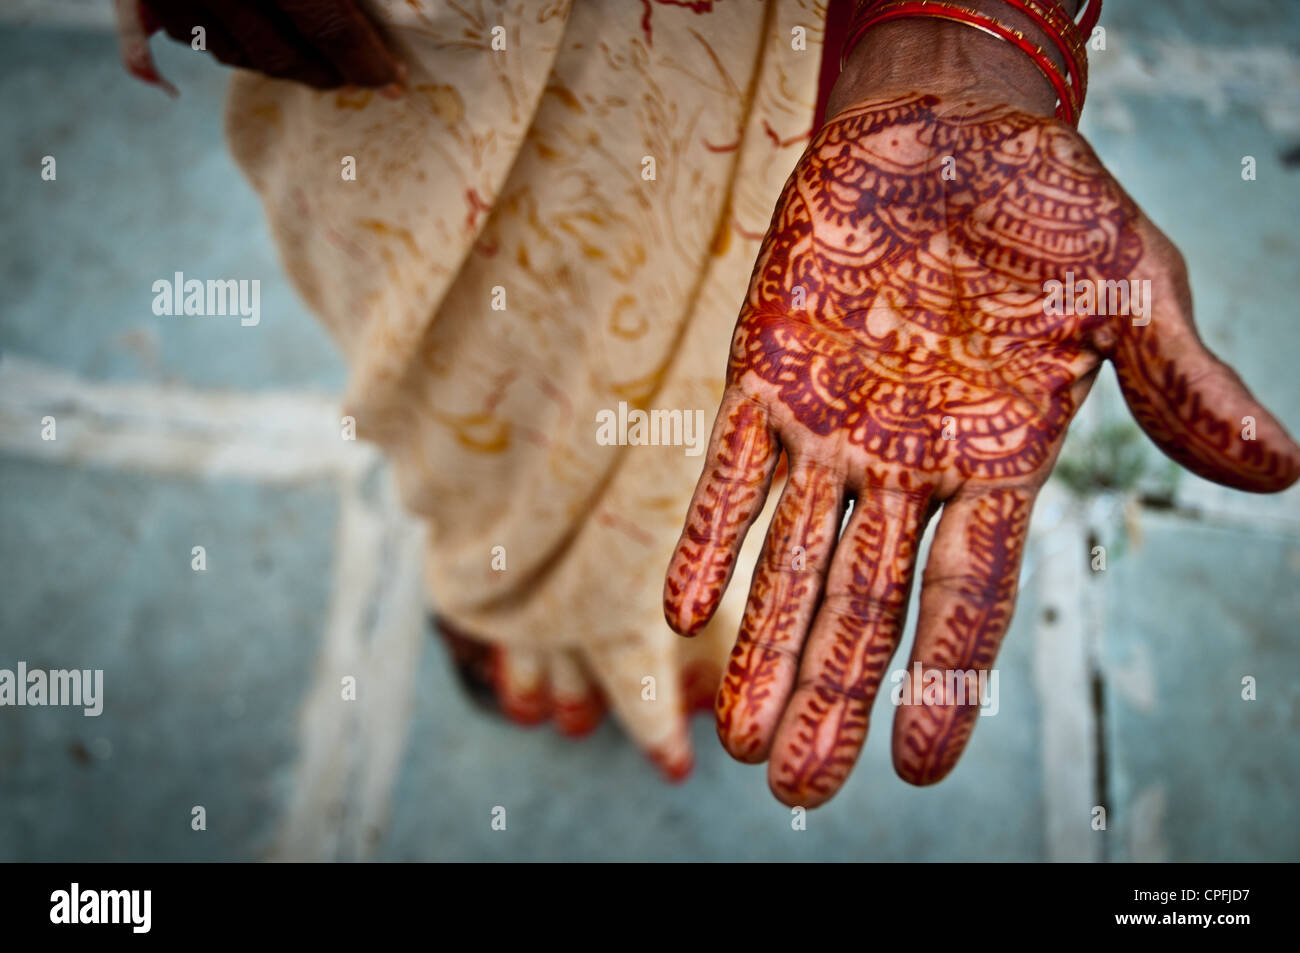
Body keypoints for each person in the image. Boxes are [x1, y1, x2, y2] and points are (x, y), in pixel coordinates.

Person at [117, 0, 1300, 808]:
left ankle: (661, 640)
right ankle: (527, 595)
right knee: (452, 360)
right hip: (408, 54)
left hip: (763, 62)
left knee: (749, 395)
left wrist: (956, 41)